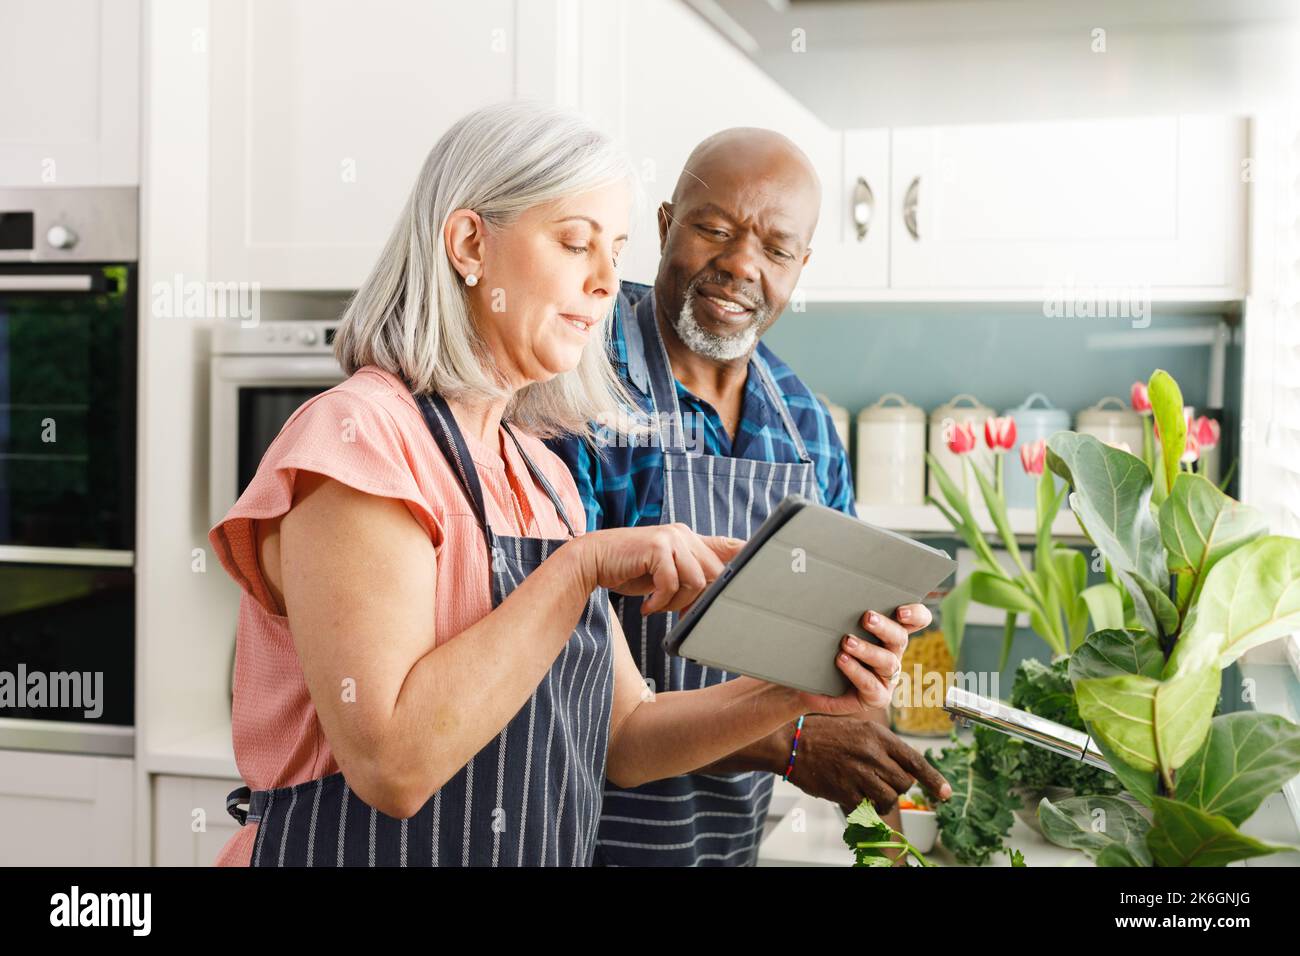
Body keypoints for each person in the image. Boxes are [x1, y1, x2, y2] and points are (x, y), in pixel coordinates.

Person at [207, 102, 911, 867]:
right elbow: (392, 767)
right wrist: (580, 568)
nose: (610, 283)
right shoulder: (359, 440)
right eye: (577, 243)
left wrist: (802, 695)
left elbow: (627, 737)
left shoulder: (536, 471)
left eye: (615, 250)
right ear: (470, 244)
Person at [547, 127, 952, 867]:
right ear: (666, 225)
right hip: (576, 834)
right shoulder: (574, 382)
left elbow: (847, 660)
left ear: (801, 264)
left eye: (774, 248)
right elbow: (552, 668)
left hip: (723, 843)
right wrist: (787, 743)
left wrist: (871, 680)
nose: (739, 266)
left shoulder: (805, 428)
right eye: (713, 230)